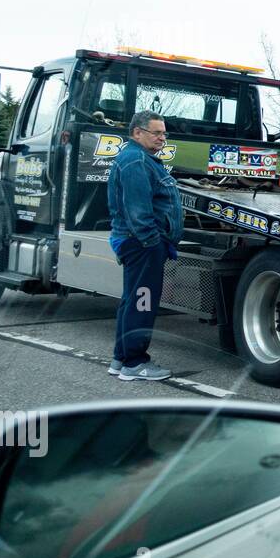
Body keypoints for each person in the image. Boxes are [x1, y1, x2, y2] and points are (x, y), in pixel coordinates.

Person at [107, 111, 184, 381]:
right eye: (157, 133)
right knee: (143, 302)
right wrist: (153, 244)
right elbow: (138, 211)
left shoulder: (138, 158)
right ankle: (135, 362)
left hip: (137, 243)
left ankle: (121, 358)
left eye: (164, 133)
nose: (162, 138)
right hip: (142, 244)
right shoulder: (137, 160)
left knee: (132, 300)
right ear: (137, 132)